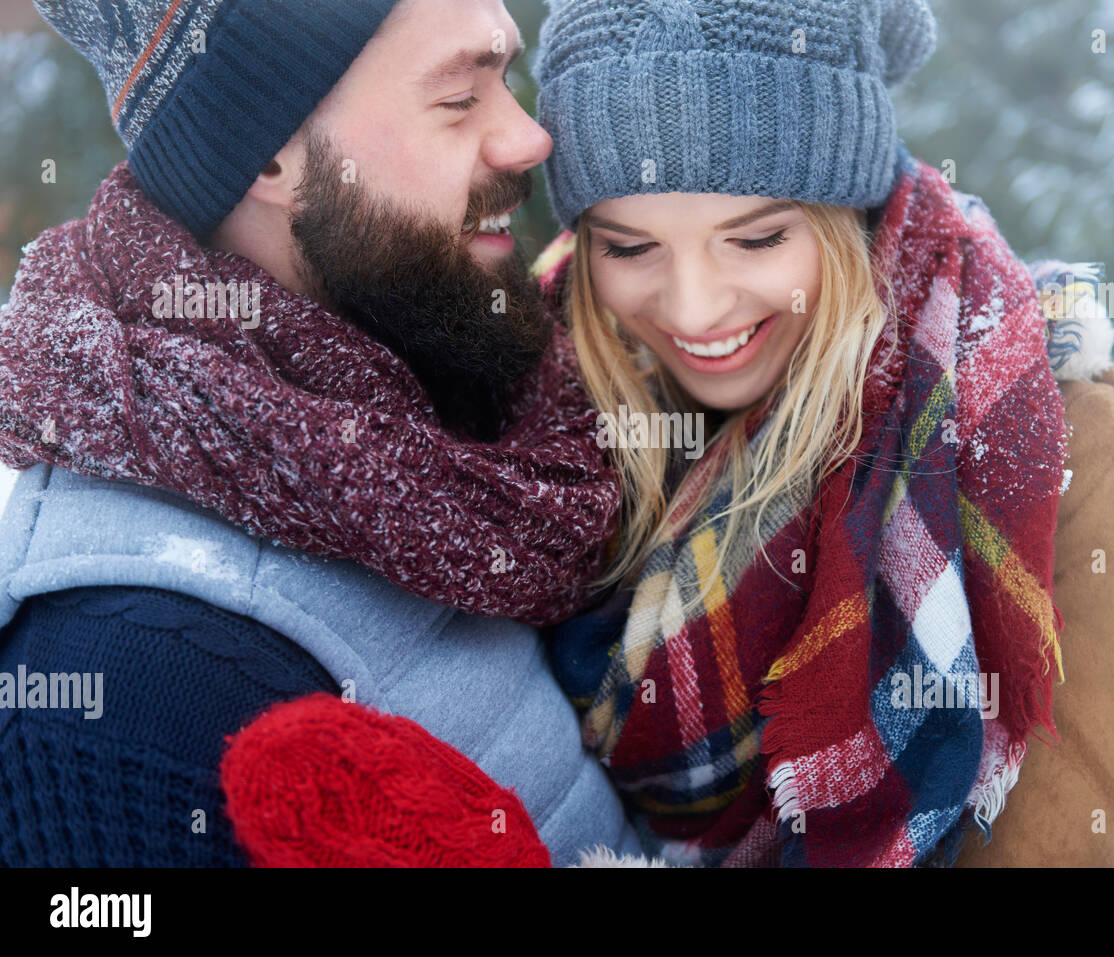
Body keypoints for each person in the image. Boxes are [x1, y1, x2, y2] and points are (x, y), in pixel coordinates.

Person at [527, 0, 1114, 866]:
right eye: (629, 248)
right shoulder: (534, 406)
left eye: (755, 238)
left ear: (847, 216)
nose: (693, 308)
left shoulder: (1048, 420)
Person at [0, 0, 641, 867]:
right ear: (267, 150)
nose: (528, 139)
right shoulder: (124, 687)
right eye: (460, 99)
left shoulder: (453, 389)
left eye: (507, 79)